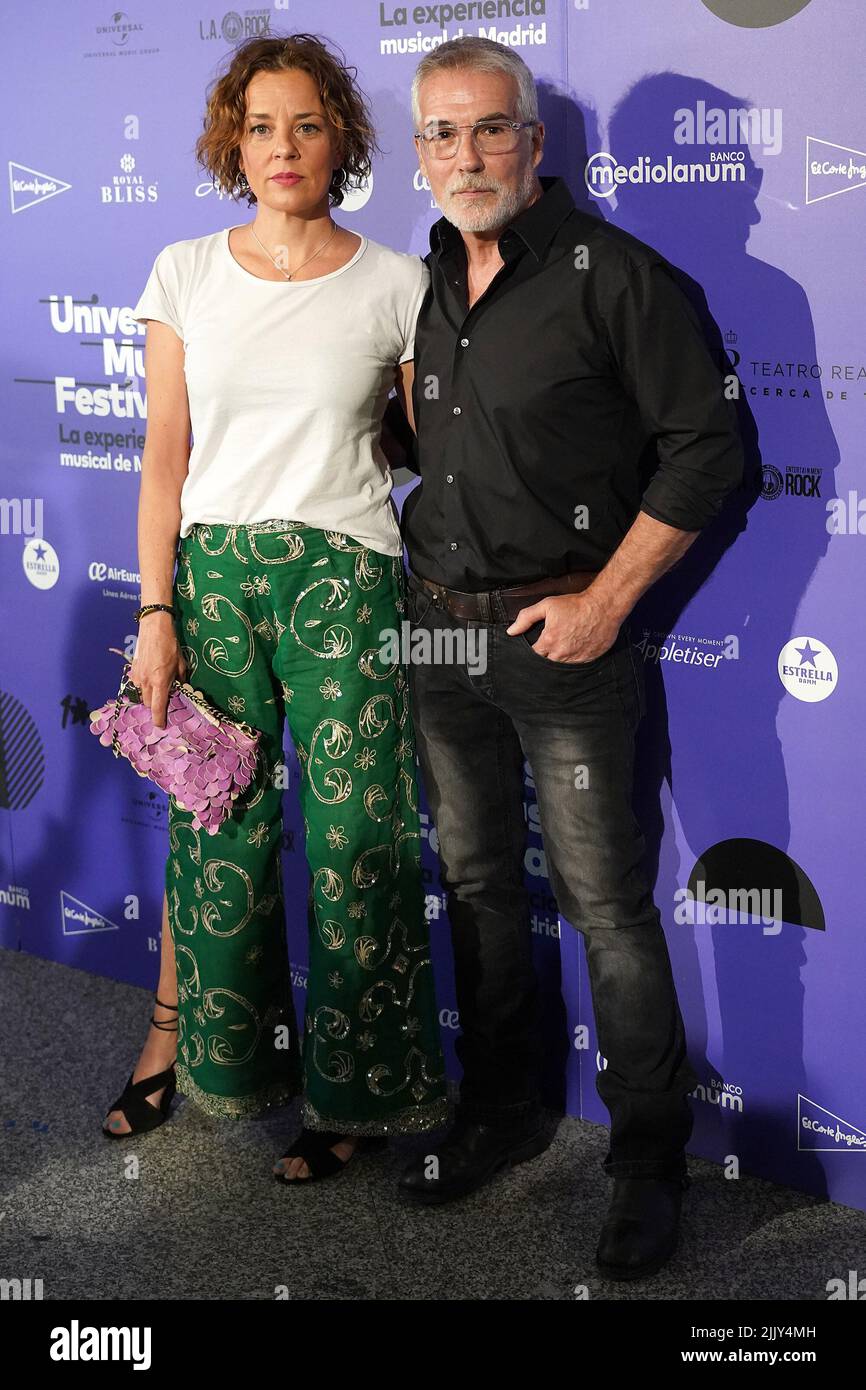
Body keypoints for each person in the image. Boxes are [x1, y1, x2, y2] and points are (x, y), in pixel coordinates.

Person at [395, 37, 744, 1277]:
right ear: (418, 148)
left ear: (534, 144)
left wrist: (603, 600)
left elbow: (710, 448)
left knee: (604, 908)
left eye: (490, 129)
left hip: (564, 637)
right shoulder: (426, 278)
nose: (465, 155)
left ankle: (647, 1161)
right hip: (433, 626)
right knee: (480, 883)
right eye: (440, 133)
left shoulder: (617, 278)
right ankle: (497, 1110)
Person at [102, 32, 448, 1181]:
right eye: (260, 126)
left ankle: (358, 1096)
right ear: (231, 143)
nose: (283, 147)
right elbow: (162, 460)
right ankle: (221, 1064)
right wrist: (155, 612)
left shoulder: (398, 282)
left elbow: (422, 450)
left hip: (344, 582)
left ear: (339, 138)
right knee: (220, 835)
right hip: (210, 584)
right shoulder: (183, 271)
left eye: (305, 123)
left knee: (356, 844)